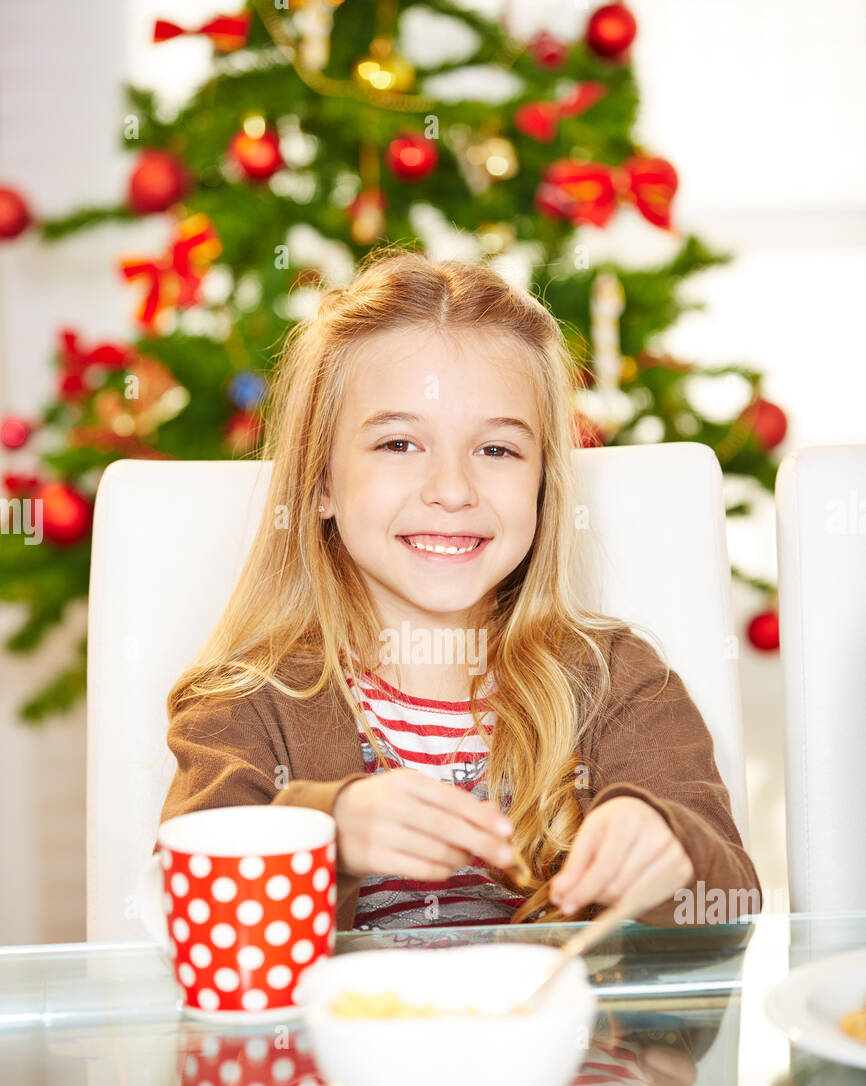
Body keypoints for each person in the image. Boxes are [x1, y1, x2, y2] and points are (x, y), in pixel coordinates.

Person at [157, 248, 762, 931]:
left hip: (570, 1040)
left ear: (543, 485)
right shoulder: (242, 705)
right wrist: (325, 835)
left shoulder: (618, 682)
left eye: (497, 450)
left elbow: (733, 904)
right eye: (398, 444)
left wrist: (668, 848)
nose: (451, 490)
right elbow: (192, 921)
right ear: (321, 483)